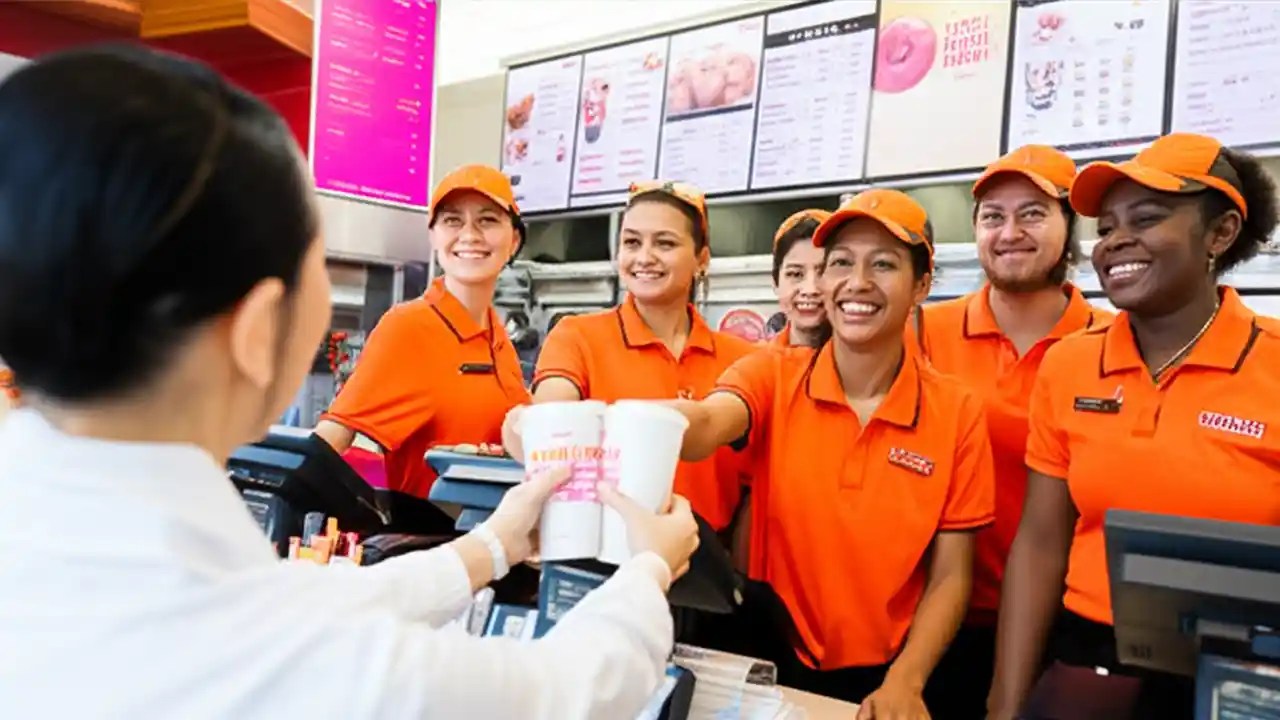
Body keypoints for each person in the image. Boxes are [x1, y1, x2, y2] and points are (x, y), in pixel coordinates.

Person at [0, 45, 700, 718]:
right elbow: (555, 694)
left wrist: (493, 544)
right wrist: (647, 571)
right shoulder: (276, 651)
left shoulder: (92, 550)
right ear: (255, 331)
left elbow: (296, 601)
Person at [575, 189, 996, 716]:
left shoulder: (956, 411)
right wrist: (594, 422)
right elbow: (706, 422)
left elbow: (952, 573)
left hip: (891, 672)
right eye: (840, 263)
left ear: (922, 285)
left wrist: (906, 681)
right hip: (771, 653)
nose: (857, 282)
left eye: (883, 264)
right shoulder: (774, 374)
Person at [987, 133, 1280, 720]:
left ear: (1219, 234)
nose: (1117, 241)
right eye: (1107, 226)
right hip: (1090, 667)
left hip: (1244, 677)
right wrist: (1006, 701)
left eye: (1146, 219)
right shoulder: (1070, 364)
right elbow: (1042, 544)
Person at [916, 145, 1109, 719]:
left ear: (1069, 226)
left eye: (1033, 213)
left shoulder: (1110, 344)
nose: (1010, 232)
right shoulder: (923, 333)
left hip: (1065, 627)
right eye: (993, 217)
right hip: (937, 622)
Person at [526, 180, 756, 533]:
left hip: (707, 564)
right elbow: (554, 426)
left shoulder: (742, 359)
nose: (644, 257)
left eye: (665, 243)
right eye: (632, 242)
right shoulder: (576, 336)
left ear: (702, 260)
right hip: (601, 550)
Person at [313, 164, 529, 499]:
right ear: (434, 236)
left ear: (513, 240)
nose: (469, 234)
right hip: (430, 541)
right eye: (452, 220)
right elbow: (332, 439)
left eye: (487, 219)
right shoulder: (408, 327)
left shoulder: (498, 338)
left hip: (493, 542)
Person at [770, 209, 832, 349]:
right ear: (775, 283)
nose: (810, 289)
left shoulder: (875, 365)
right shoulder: (752, 368)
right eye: (796, 274)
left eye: (823, 272)